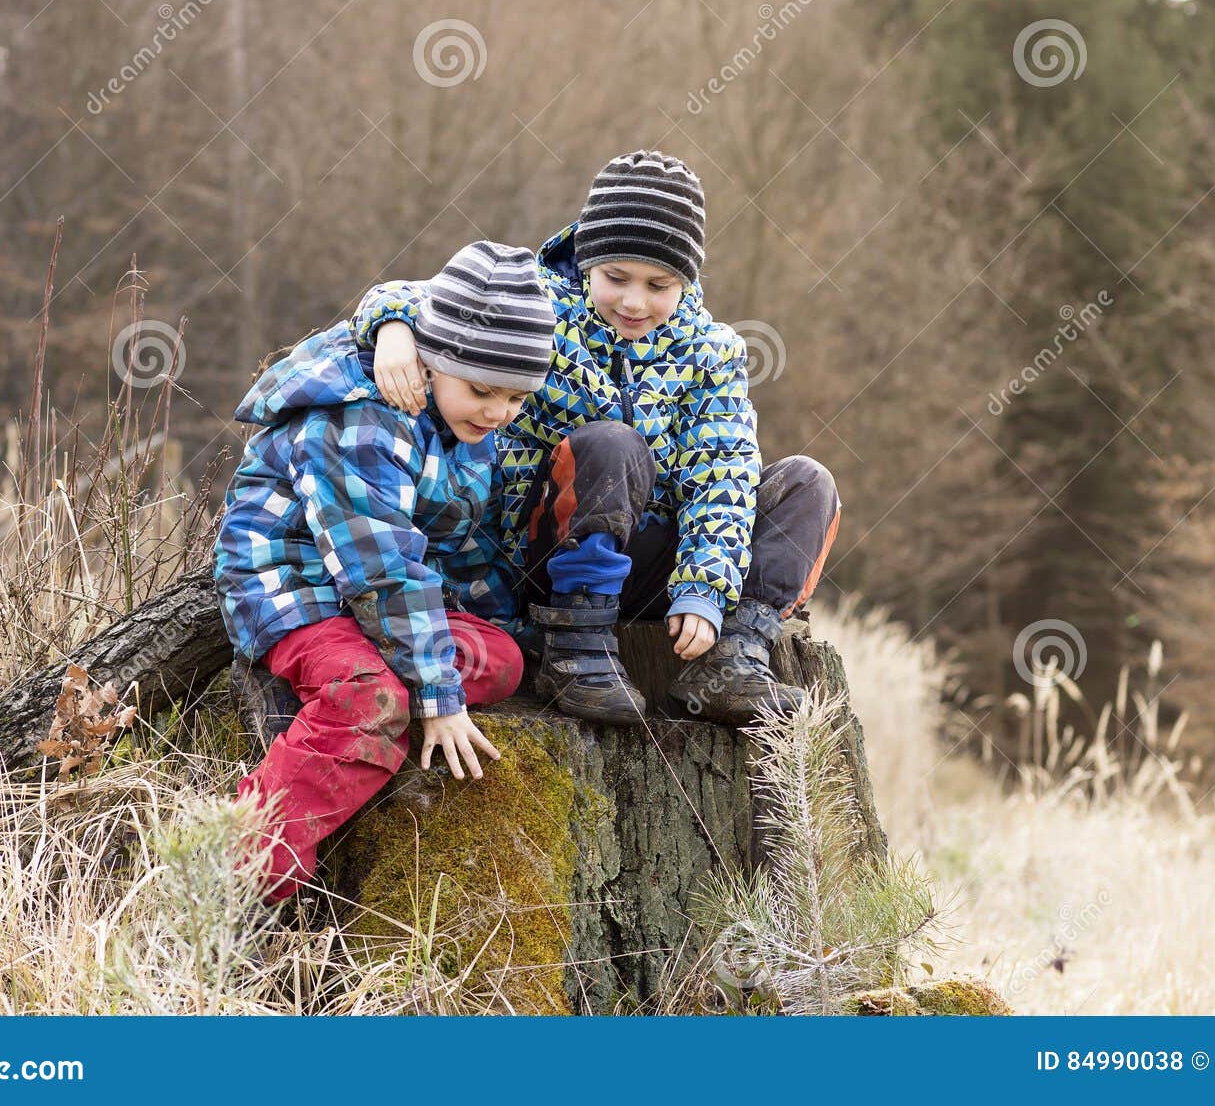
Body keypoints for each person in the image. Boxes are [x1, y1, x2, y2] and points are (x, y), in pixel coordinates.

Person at [353, 151, 841, 726]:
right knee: (613, 443)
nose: (634, 302)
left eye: (658, 284)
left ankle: (735, 654)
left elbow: (722, 472)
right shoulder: (536, 304)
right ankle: (576, 651)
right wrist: (390, 328)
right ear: (587, 258)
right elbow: (420, 296)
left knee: (809, 484)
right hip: (551, 549)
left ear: (687, 280)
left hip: (661, 564)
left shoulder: (712, 351)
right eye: (616, 278)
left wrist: (705, 588)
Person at [214, 240, 556, 904]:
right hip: (294, 584)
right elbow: (384, 570)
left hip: (370, 594)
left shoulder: (467, 426)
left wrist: (523, 634)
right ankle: (240, 870)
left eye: (516, 398)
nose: (496, 413)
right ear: (430, 360)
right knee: (369, 700)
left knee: (505, 660)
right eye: (483, 391)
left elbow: (456, 544)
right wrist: (437, 693)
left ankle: (392, 666)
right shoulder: (362, 418)